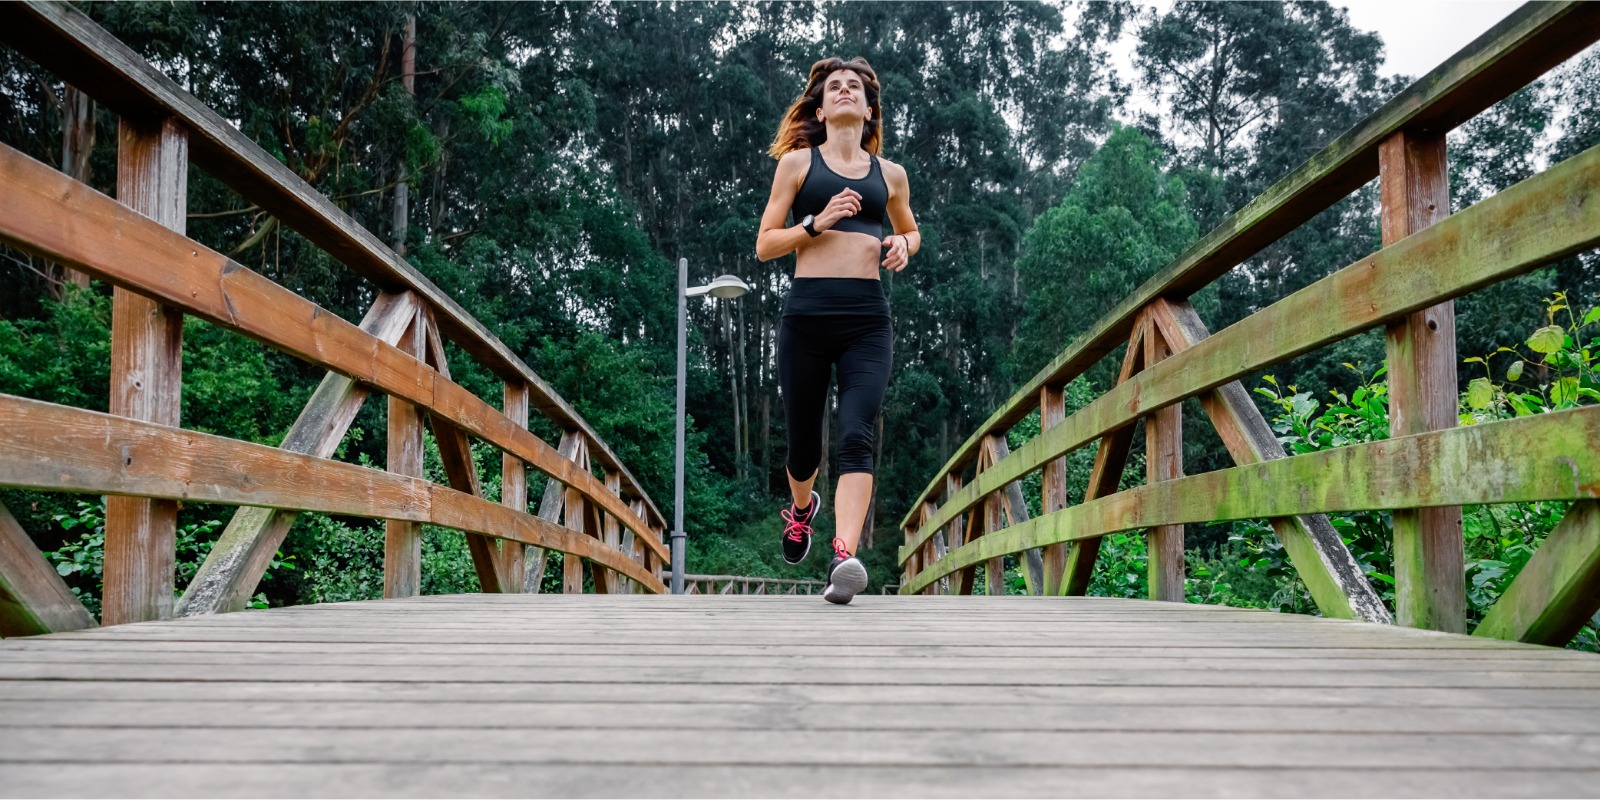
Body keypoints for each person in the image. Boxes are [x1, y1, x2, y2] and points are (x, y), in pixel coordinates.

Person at [755, 56, 920, 605]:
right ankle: (802, 509)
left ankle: (843, 555)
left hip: (867, 321)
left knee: (856, 434)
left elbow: (911, 231)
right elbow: (764, 245)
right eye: (835, 88)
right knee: (804, 449)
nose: (845, 92)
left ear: (868, 111)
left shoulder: (889, 175)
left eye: (855, 87)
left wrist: (902, 244)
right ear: (822, 110)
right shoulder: (798, 165)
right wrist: (815, 222)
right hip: (806, 317)